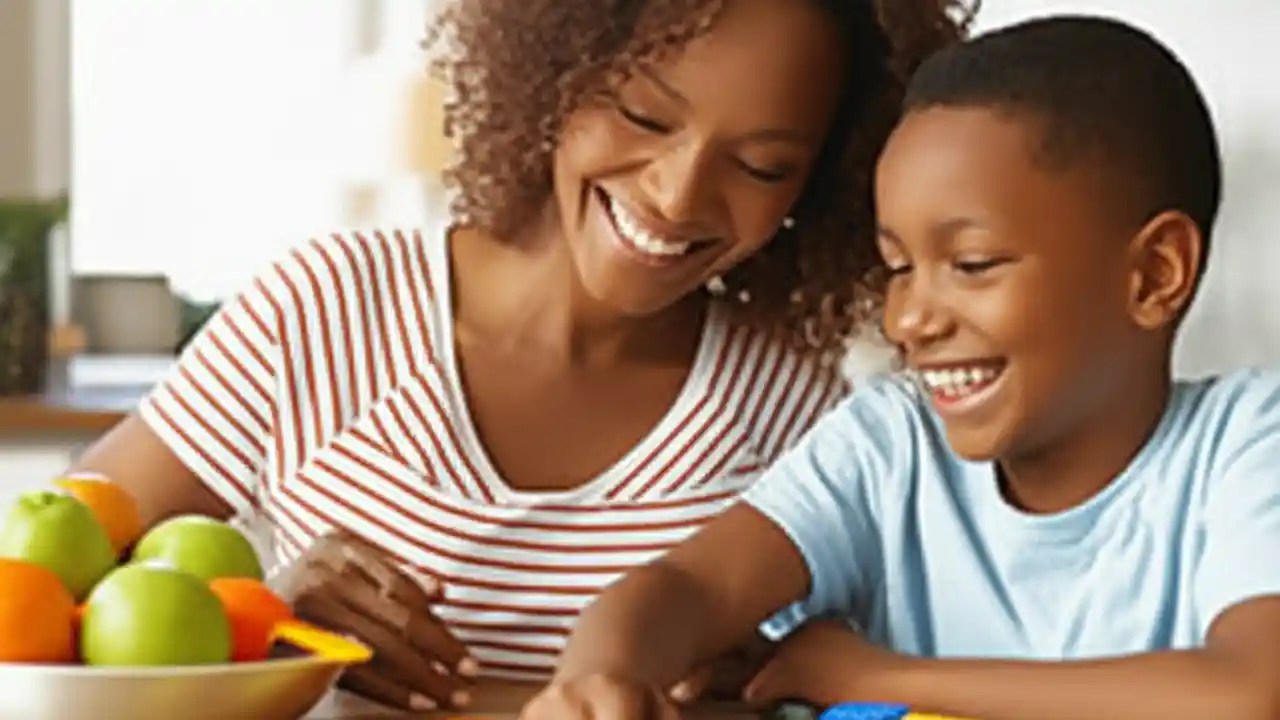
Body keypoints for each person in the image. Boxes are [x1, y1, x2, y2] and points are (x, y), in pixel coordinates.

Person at [70, 0, 974, 712]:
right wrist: (256, 615)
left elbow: (847, 683)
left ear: (819, 187)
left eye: (763, 166)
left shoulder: (793, 408)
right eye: (644, 115)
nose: (677, 193)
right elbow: (35, 591)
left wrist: (761, 679)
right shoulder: (324, 310)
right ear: (558, 74)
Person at [521, 14, 1280, 720]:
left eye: (972, 264)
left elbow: (1251, 695)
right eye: (898, 267)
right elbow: (688, 586)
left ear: (1154, 274)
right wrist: (600, 676)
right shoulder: (891, 444)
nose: (909, 320)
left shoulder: (1248, 443)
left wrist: (874, 675)